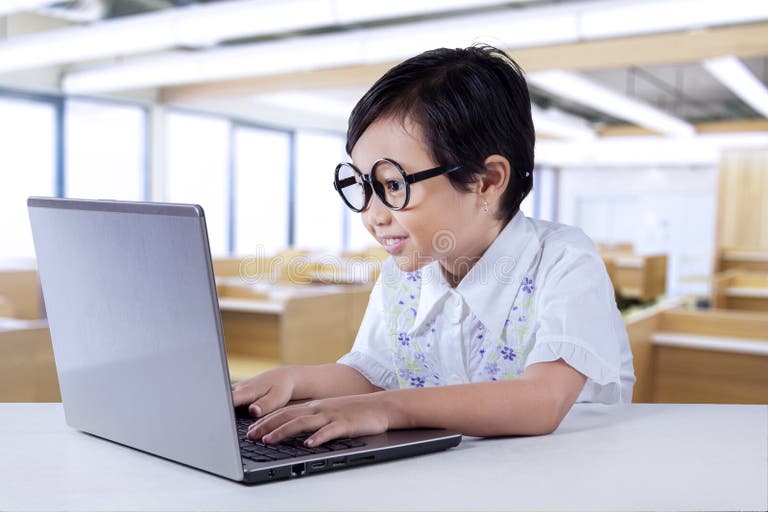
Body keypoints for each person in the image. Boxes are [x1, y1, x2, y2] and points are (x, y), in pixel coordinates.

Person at [232, 45, 635, 448]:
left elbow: (542, 400)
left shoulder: (564, 261)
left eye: (393, 185)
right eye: (362, 186)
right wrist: (293, 381)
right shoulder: (404, 274)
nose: (372, 215)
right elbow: (371, 374)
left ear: (487, 181)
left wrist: (390, 408)